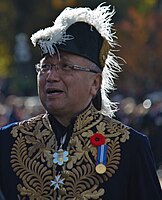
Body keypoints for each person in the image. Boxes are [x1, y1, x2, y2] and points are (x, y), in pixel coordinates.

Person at [0, 3, 162, 200]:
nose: (51, 76)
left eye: (66, 66)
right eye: (45, 67)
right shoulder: (9, 142)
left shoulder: (130, 147)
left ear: (95, 83)